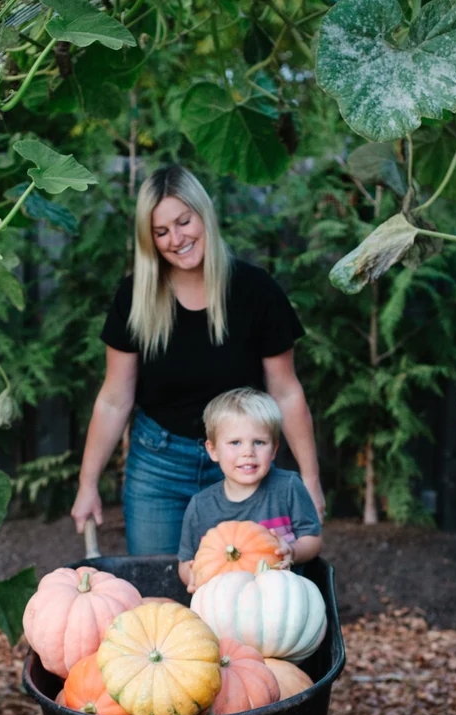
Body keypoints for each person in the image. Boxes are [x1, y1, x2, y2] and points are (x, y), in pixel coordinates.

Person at [70, 163, 324, 555]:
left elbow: (286, 393)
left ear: (204, 215)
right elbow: (114, 399)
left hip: (244, 463)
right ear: (150, 240)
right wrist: (88, 484)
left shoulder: (256, 292)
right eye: (161, 232)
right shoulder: (134, 298)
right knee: (161, 599)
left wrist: (310, 479)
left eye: (184, 221)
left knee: (245, 593)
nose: (176, 238)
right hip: (159, 467)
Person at [177, 389, 322, 591]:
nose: (248, 452)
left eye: (259, 442)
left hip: (284, 596)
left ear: (274, 449)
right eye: (235, 442)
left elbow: (313, 539)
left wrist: (293, 552)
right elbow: (186, 561)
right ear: (213, 450)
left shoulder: (287, 487)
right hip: (223, 607)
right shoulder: (201, 507)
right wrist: (191, 576)